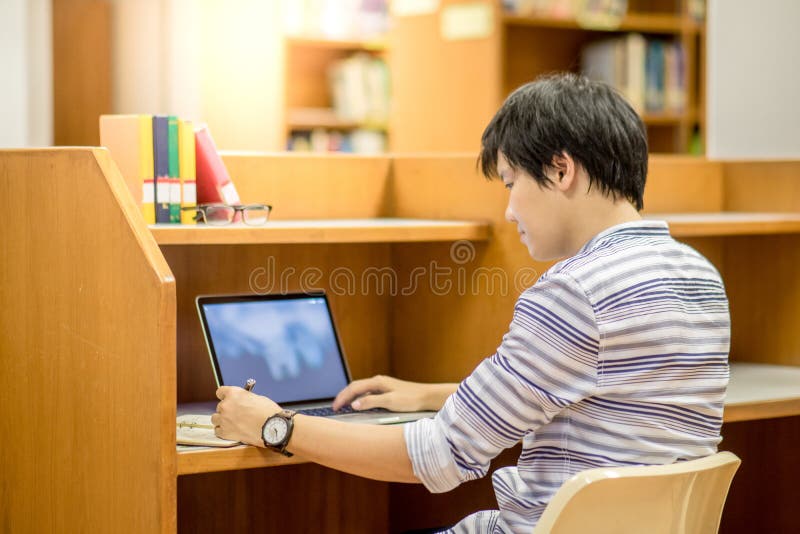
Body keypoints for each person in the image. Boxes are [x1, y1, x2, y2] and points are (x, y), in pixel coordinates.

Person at [212, 72, 730, 533]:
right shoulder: (700, 276)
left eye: (511, 183)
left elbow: (436, 457)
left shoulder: (573, 293)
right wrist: (432, 395)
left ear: (560, 170)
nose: (508, 212)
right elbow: (595, 393)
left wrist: (275, 425)